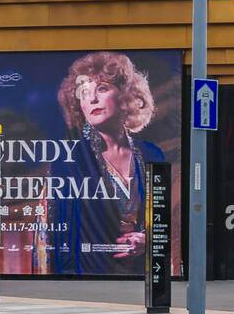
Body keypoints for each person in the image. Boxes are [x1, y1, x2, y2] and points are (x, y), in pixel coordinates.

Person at [46, 52, 165, 277]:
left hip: (143, 275)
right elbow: (62, 232)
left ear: (126, 95)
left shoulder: (151, 155)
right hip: (88, 274)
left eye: (101, 88)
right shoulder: (70, 159)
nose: (91, 100)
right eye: (84, 93)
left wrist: (147, 239)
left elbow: (162, 217)